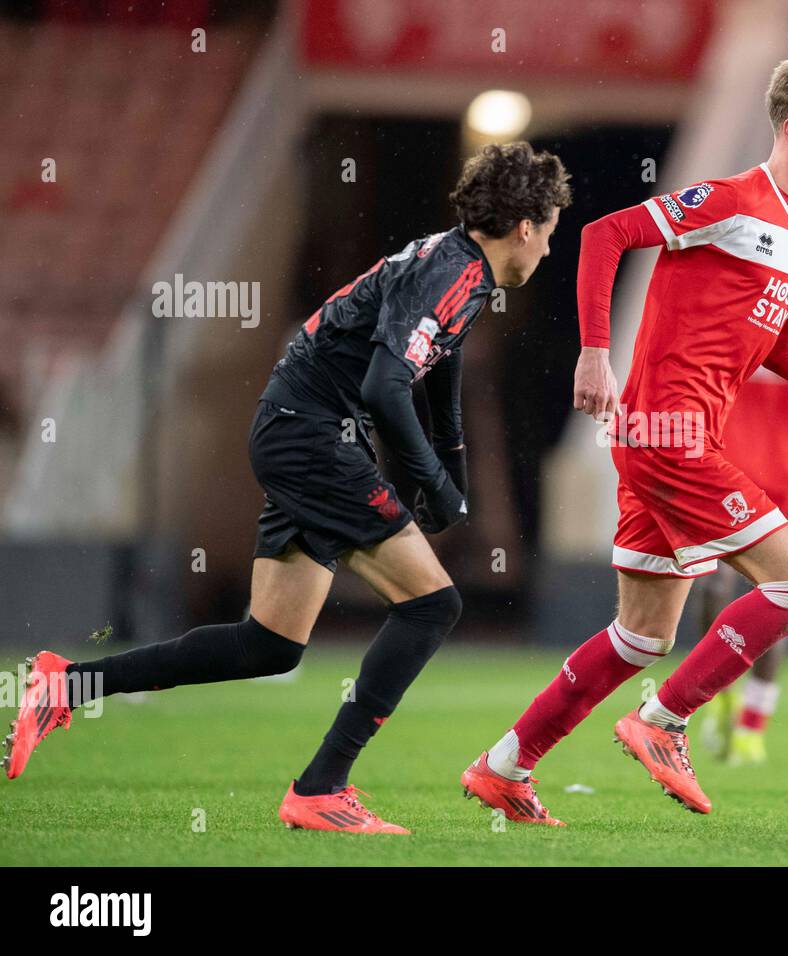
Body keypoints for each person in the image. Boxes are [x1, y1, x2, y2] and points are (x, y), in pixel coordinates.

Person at [4, 142, 572, 835]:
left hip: (302, 427)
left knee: (267, 645)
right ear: (525, 226)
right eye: (548, 233)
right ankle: (321, 787)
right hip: (313, 435)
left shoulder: (459, 266)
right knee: (432, 606)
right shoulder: (450, 271)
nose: (546, 250)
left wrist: (450, 470)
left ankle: (68, 684)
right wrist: (427, 478)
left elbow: (440, 370)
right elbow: (385, 387)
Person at [460, 51, 788, 826]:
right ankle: (662, 723)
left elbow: (780, 346)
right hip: (668, 433)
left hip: (669, 437)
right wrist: (593, 351)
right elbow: (604, 236)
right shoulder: (727, 199)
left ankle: (504, 766)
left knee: (639, 639)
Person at [696, 284, 788, 766]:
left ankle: (752, 728)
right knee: (713, 590)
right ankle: (720, 695)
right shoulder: (730, 297)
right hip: (729, 471)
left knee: (785, 598)